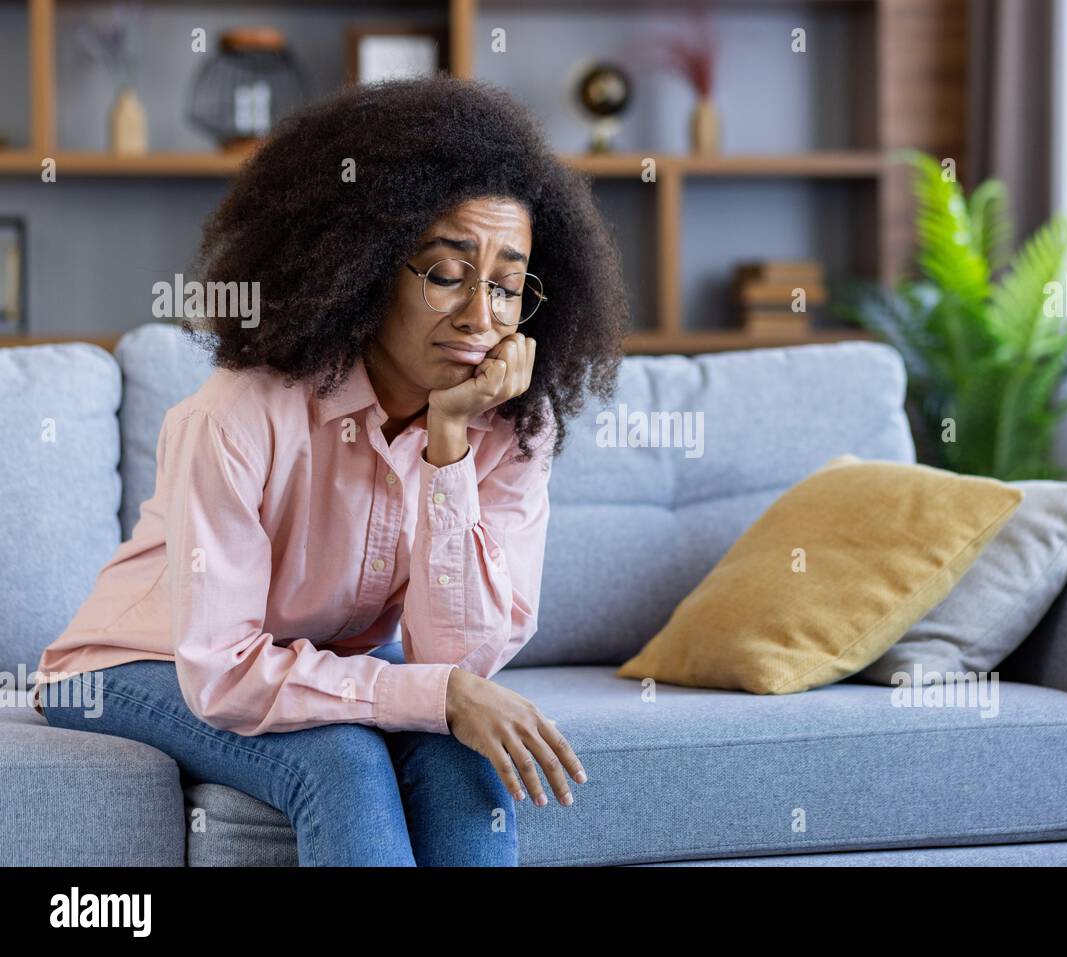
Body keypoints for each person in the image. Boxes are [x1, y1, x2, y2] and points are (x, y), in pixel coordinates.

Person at [34, 74, 629, 866]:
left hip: (317, 658)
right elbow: (223, 671)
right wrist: (436, 696)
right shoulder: (239, 415)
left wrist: (448, 444)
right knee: (342, 759)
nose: (482, 317)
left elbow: (458, 660)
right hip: (140, 660)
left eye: (507, 284)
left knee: (461, 760)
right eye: (447, 274)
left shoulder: (512, 426)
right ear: (367, 266)